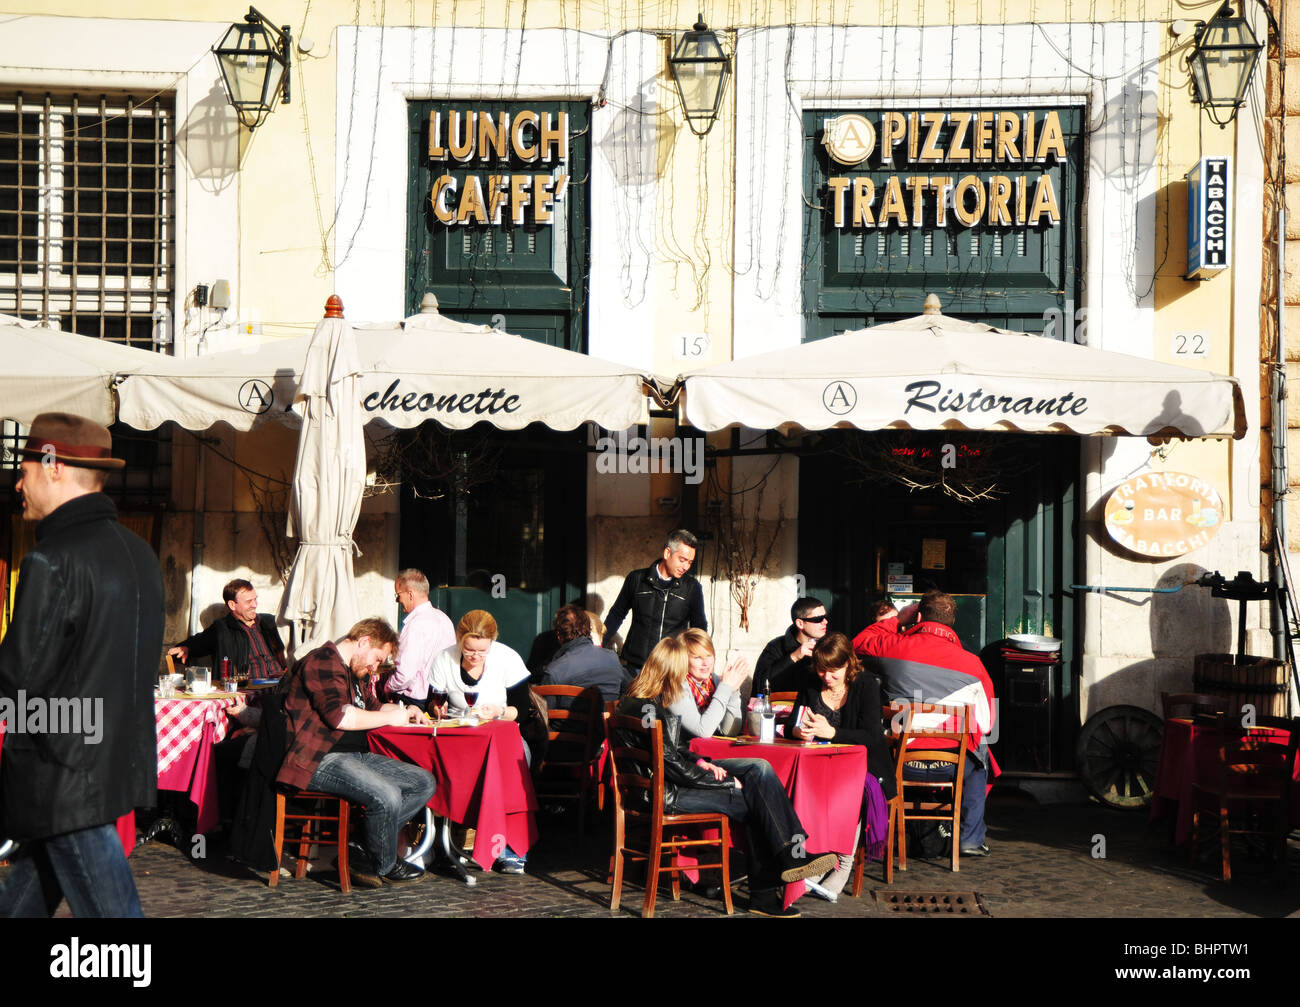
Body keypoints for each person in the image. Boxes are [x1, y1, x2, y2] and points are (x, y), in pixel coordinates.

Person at [0, 413, 164, 917]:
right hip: (107, 768)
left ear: (52, 467)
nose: (17, 481)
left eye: (23, 466)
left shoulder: (52, 558)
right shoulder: (139, 555)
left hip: (63, 780)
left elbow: (17, 680)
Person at [614, 638, 838, 918]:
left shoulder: (641, 703)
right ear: (668, 671)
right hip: (664, 793)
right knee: (755, 802)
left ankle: (787, 860)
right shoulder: (648, 709)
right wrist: (724, 782)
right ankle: (774, 880)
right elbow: (669, 763)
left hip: (663, 786)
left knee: (759, 770)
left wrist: (701, 762)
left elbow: (672, 752)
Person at [276, 617, 434, 886]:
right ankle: (383, 865)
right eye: (376, 658)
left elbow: (374, 708)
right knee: (387, 795)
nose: (375, 668)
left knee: (423, 782)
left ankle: (359, 847)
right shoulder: (322, 661)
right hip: (317, 759)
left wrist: (405, 711)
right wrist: (389, 719)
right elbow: (341, 718)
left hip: (355, 756)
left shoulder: (356, 671)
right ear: (363, 642)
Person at [857, 590, 998, 858]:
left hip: (900, 761)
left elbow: (859, 642)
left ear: (918, 616)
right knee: (981, 755)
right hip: (952, 767)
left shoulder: (893, 646)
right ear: (951, 623)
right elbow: (988, 721)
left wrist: (897, 619)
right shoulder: (974, 664)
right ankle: (969, 838)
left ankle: (881, 832)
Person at [790, 632, 897, 898]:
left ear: (849, 663)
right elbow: (795, 719)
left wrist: (832, 733)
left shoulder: (866, 685)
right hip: (820, 765)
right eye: (822, 670)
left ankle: (842, 861)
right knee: (798, 788)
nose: (826, 677)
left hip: (864, 768)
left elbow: (872, 737)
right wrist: (798, 731)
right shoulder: (811, 683)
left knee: (848, 792)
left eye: (833, 671)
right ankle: (815, 859)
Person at [427, 609, 533, 874]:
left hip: (500, 735)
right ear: (459, 640)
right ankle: (442, 844)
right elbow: (435, 702)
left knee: (518, 764)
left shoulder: (507, 658)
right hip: (459, 738)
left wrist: (499, 711)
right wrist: (435, 709)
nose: (474, 656)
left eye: (482, 651)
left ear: (492, 643)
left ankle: (510, 849)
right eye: (469, 649)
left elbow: (522, 710)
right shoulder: (444, 659)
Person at [603, 529, 707, 673]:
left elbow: (699, 627)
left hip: (671, 668)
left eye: (690, 562)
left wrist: (700, 660)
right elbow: (617, 614)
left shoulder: (692, 588)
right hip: (636, 666)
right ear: (667, 553)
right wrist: (599, 643)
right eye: (682, 560)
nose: (686, 567)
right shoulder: (636, 579)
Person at [167, 578, 286, 680]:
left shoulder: (270, 622)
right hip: (247, 693)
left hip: (280, 686)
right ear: (232, 605)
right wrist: (186, 648)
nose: (255, 605)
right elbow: (198, 642)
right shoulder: (222, 629)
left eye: (255, 599)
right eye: (249, 601)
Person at [386, 568, 456, 709]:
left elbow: (405, 674)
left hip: (415, 702)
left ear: (410, 594)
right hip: (440, 699)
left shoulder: (414, 625)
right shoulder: (445, 620)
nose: (397, 600)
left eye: (398, 595)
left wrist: (387, 687)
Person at [540, 603, 629, 704]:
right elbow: (631, 689)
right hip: (606, 719)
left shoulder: (554, 671)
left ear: (559, 636)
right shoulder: (612, 658)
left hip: (570, 720)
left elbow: (546, 714)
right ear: (588, 629)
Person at [670, 629, 746, 739]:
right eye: (697, 658)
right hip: (684, 753)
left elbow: (730, 731)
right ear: (684, 660)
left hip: (708, 751)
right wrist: (725, 688)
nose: (705, 663)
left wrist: (733, 692)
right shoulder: (676, 686)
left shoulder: (715, 681)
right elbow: (703, 731)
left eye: (709, 656)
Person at [754, 596, 829, 695]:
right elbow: (760, 685)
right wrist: (793, 657)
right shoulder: (776, 646)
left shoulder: (830, 645)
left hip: (819, 708)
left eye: (825, 617)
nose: (825, 622)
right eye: (818, 619)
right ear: (800, 623)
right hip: (784, 707)